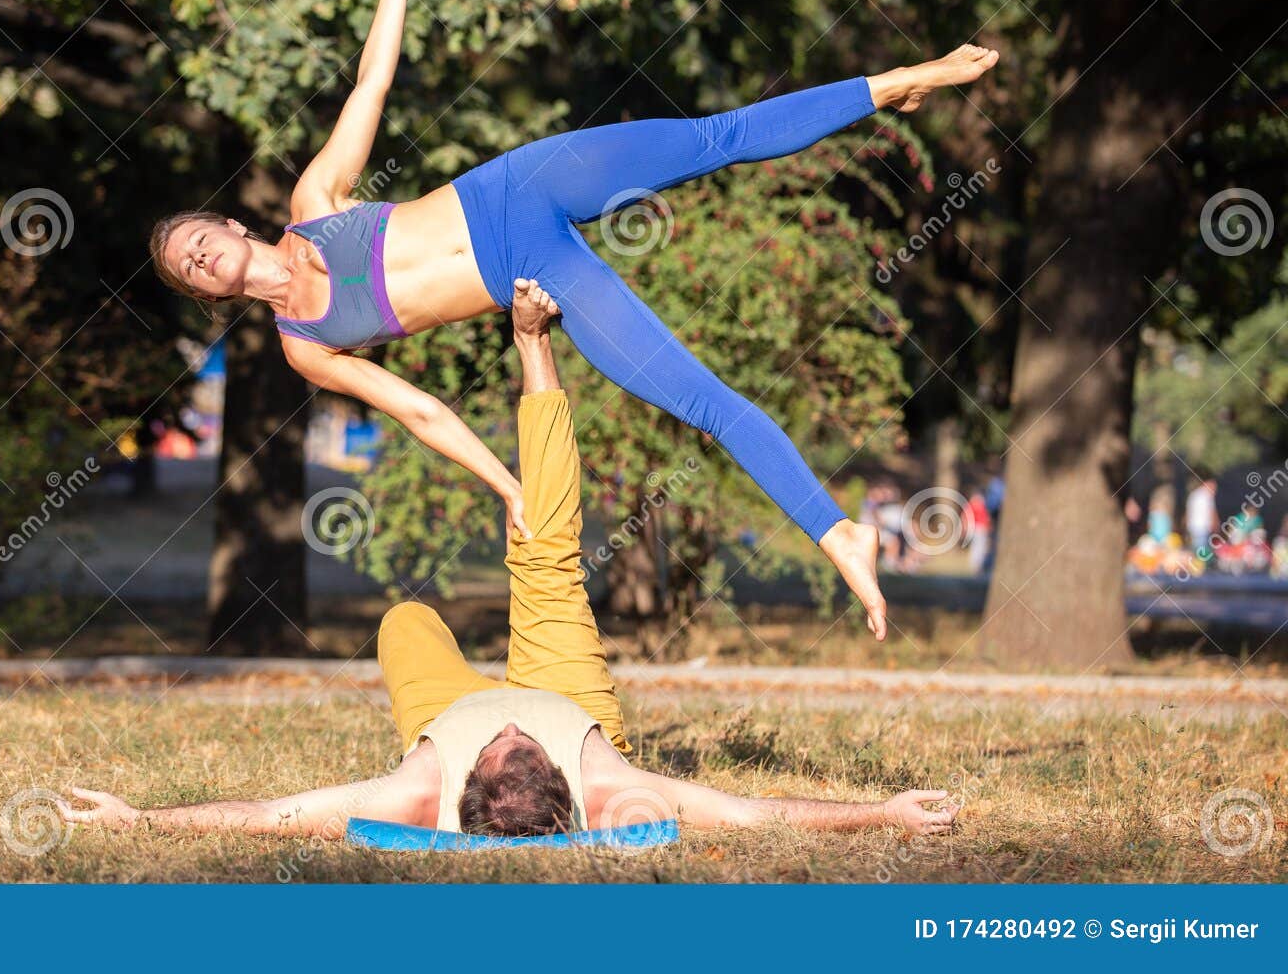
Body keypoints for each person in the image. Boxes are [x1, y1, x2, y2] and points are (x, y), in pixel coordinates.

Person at [148, 0, 1004, 640]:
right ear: (203, 289)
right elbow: (417, 410)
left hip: (520, 183)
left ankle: (893, 81)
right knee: (700, 399)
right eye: (190, 268)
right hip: (538, 270)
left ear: (228, 223)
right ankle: (836, 531)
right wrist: (508, 485)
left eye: (199, 239)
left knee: (715, 138)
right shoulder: (304, 344)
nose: (202, 256)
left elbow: (370, 87)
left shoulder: (313, 203)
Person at [62, 282, 958, 841]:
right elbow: (754, 813)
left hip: (441, 706)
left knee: (406, 619)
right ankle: (535, 345)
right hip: (572, 692)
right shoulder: (604, 778)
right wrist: (884, 813)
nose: (512, 749)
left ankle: (528, 365)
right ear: (560, 785)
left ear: (475, 790)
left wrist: (140, 820)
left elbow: (272, 813)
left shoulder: (420, 786)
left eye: (501, 768)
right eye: (533, 768)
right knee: (544, 544)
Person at [1185, 476, 1218, 562]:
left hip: (1193, 526)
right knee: (1202, 547)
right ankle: (1200, 565)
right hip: (1202, 526)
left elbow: (1188, 512)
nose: (1214, 490)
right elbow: (1211, 512)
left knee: (1197, 547)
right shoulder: (1206, 496)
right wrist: (1215, 524)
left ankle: (1196, 564)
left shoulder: (1194, 494)